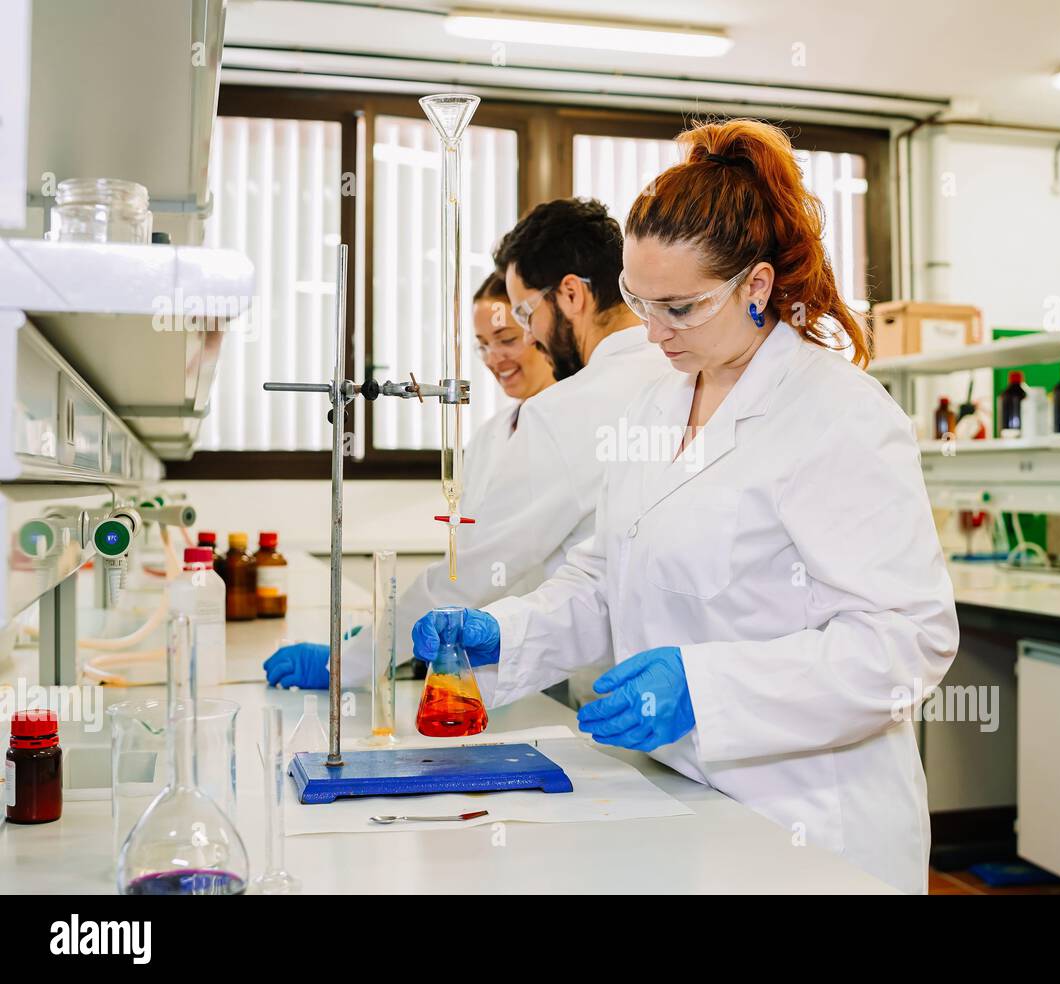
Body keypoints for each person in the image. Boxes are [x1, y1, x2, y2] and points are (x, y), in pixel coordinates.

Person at [412, 120, 958, 893]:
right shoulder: (655, 406)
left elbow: (907, 642)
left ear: (757, 286)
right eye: (639, 300)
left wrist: (707, 687)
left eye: (681, 308)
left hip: (811, 822)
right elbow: (606, 579)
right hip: (682, 797)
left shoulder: (838, 413)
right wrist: (501, 633)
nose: (654, 331)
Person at [264, 200, 667, 689]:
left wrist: (351, 661)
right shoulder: (678, 371)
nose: (531, 336)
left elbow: (468, 572)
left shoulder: (570, 411)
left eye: (524, 314)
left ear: (571, 294)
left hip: (599, 684)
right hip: (667, 679)